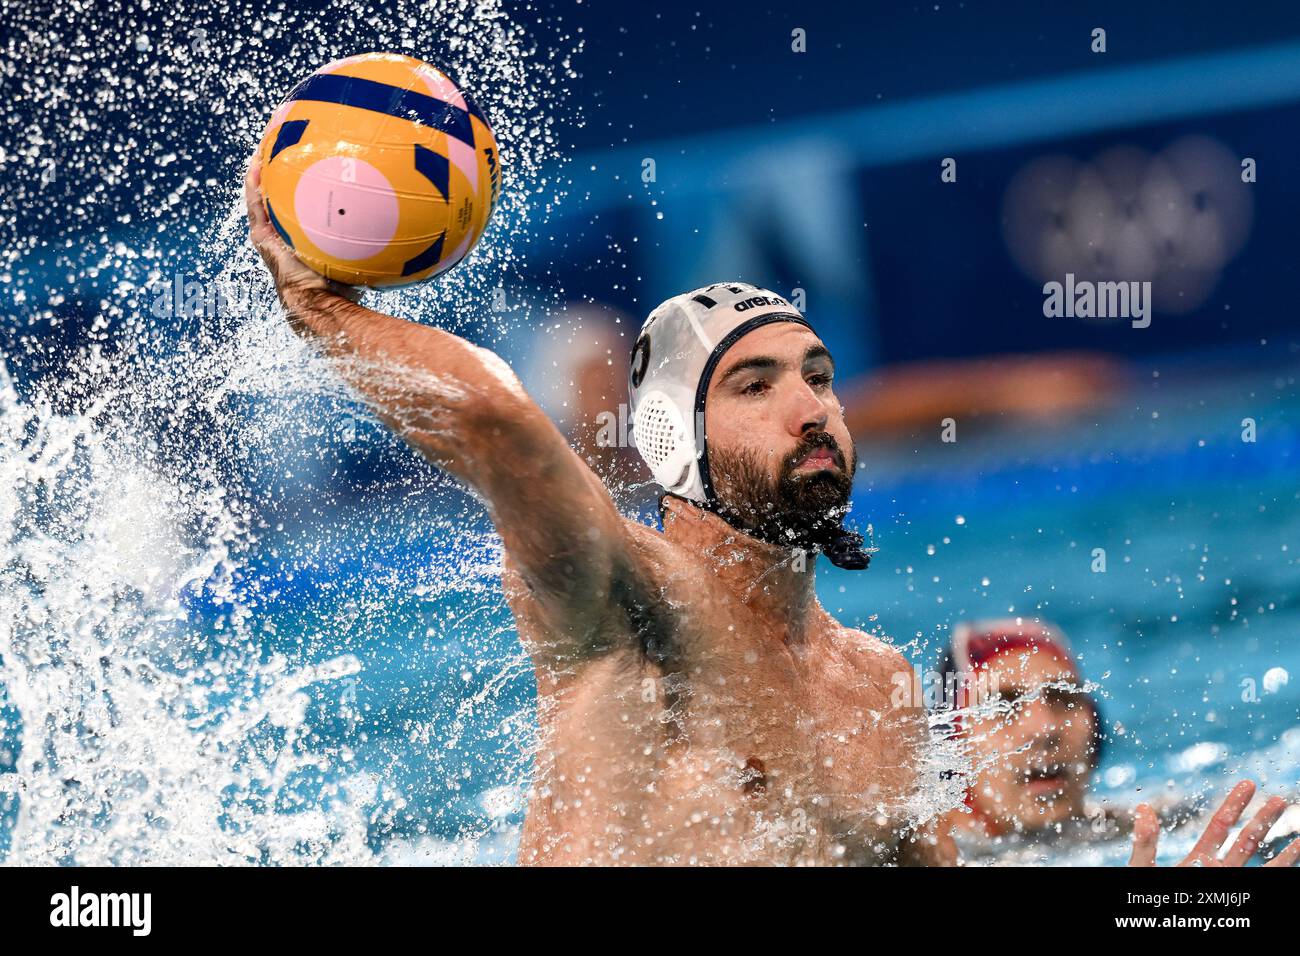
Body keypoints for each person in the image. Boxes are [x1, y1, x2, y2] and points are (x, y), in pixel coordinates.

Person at [245, 160, 954, 865]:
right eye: (754, 387)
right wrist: (323, 311)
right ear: (673, 438)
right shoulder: (631, 605)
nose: (811, 411)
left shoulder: (880, 683)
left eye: (820, 378)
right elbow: (498, 424)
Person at [936, 619, 1300, 866]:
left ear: (1096, 731)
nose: (1044, 728)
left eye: (1063, 698)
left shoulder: (1139, 825)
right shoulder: (924, 853)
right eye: (1004, 705)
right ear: (952, 743)